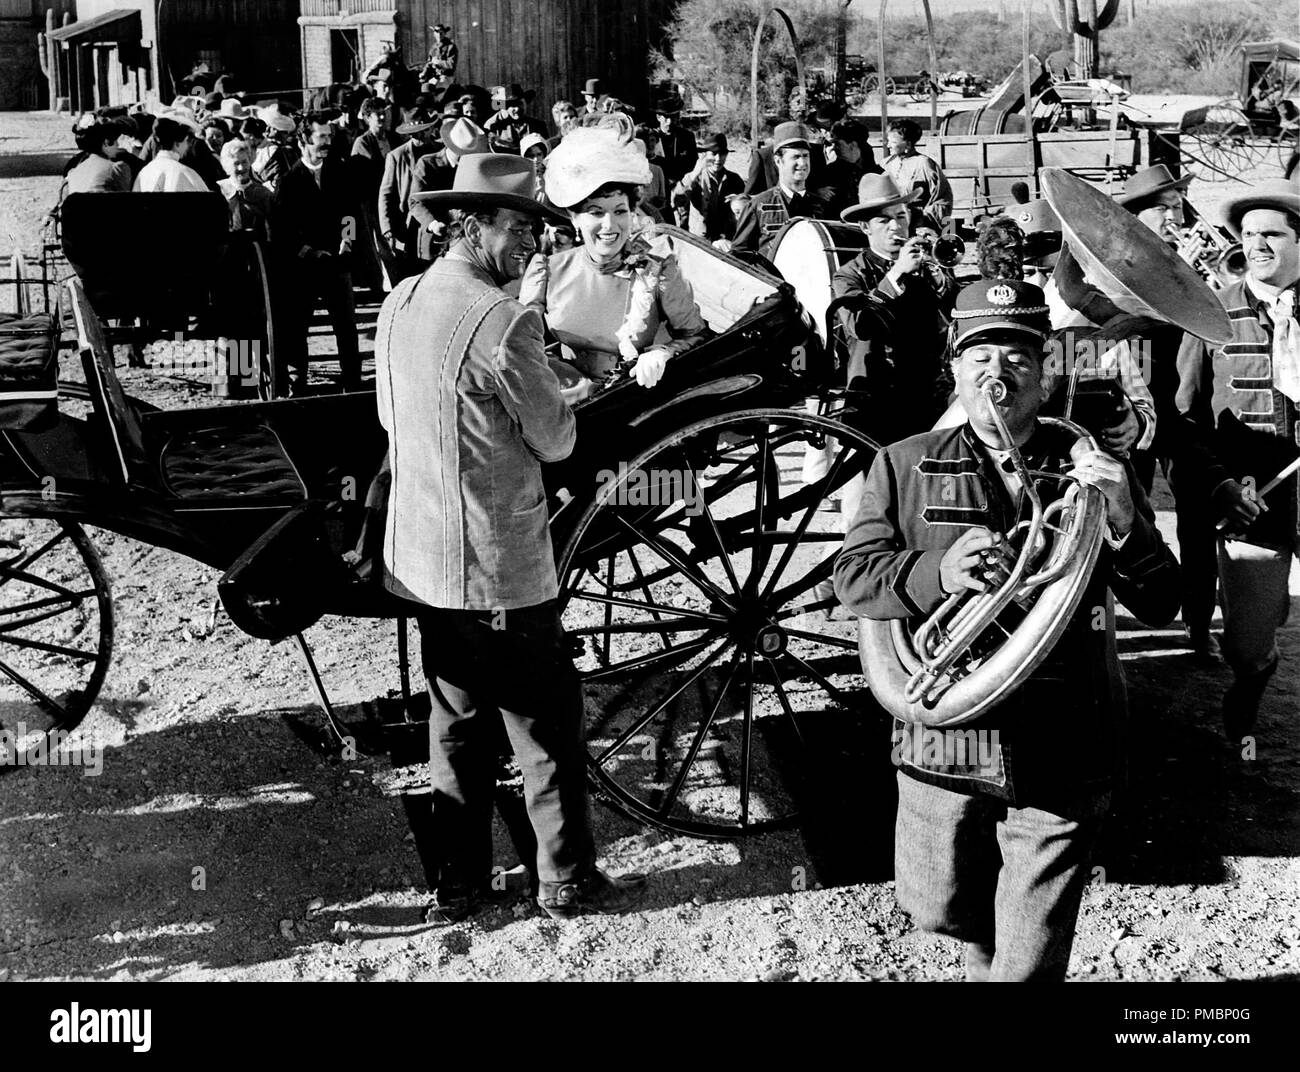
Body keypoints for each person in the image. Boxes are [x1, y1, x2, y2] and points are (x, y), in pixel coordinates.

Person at [834, 274, 1181, 981]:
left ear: (1046, 369)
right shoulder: (900, 465)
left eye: (1019, 356)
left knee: (1027, 965)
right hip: (947, 740)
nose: (999, 373)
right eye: (981, 355)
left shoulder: (1095, 469)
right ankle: (984, 949)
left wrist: (1120, 516)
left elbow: (1163, 600)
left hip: (1066, 737)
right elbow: (853, 579)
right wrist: (938, 572)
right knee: (936, 909)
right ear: (955, 367)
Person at [376, 153, 646, 922]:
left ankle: (456, 886)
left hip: (424, 562)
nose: (532, 243)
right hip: (497, 565)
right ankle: (565, 881)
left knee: (457, 728)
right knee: (544, 728)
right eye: (520, 226)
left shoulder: (399, 300)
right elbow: (557, 441)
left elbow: (399, 418)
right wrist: (571, 393)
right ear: (474, 224)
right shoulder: (502, 318)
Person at [1175, 177, 1300, 740]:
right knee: (1247, 644)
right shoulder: (1210, 315)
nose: (1256, 246)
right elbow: (1184, 420)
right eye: (1248, 235)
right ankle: (1252, 680)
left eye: (1271, 234)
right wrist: (1220, 484)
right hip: (1252, 501)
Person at [520, 121, 709, 389]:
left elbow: (697, 335)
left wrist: (664, 352)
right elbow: (521, 342)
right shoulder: (548, 269)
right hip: (564, 397)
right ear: (575, 218)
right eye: (596, 212)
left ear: (632, 213)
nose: (609, 226)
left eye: (619, 211)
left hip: (631, 399)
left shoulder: (657, 270)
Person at [831, 173, 957, 445]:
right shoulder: (849, 274)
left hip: (925, 395)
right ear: (865, 227)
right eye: (884, 220)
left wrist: (939, 277)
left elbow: (954, 315)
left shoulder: (923, 266)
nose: (895, 226)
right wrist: (897, 273)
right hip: (877, 400)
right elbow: (860, 326)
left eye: (901, 217)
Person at [272, 113, 361, 393]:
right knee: (299, 328)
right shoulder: (287, 182)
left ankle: (353, 383)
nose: (327, 143)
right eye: (321, 137)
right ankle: (299, 384)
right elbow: (281, 230)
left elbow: (351, 214)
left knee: (346, 327)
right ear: (304, 141)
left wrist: (347, 242)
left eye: (329, 137)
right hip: (305, 268)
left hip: (338, 263)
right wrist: (308, 252)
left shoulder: (341, 172)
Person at [732, 122, 826, 257]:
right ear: (778, 161)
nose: (803, 163)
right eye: (795, 157)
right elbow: (739, 254)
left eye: (805, 155)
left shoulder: (822, 205)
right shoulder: (758, 206)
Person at [409, 118, 491, 263]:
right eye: (462, 153)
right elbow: (415, 202)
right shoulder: (427, 164)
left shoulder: (471, 166)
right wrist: (433, 224)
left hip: (463, 243)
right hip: (434, 241)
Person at [378, 112, 442, 280]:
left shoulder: (440, 153)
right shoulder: (397, 156)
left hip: (435, 221)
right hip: (407, 225)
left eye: (423, 131)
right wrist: (387, 228)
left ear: (431, 129)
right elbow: (386, 193)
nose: (418, 136)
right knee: (409, 273)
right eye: (414, 133)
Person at [675, 132, 744, 249]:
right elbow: (677, 199)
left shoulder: (734, 179)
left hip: (726, 241)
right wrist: (695, 172)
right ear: (705, 155)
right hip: (699, 242)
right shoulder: (695, 178)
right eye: (714, 154)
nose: (718, 159)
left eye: (722, 154)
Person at [882, 118, 952, 224]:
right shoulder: (885, 164)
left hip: (917, 225)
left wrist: (920, 217)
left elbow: (942, 200)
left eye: (893, 142)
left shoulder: (924, 164)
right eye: (888, 141)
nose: (888, 145)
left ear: (908, 144)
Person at [133, 113, 209, 192]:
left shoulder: (144, 172)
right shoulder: (185, 173)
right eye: (187, 141)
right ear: (177, 143)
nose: (187, 147)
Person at [823, 118, 881, 218]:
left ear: (852, 145)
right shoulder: (828, 173)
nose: (833, 148)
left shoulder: (877, 174)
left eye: (837, 144)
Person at [218, 139, 273, 240]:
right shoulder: (218, 190)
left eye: (244, 162)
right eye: (236, 163)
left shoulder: (264, 194)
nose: (241, 168)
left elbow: (271, 231)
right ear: (226, 165)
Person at [483, 84, 546, 151]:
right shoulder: (496, 126)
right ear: (505, 108)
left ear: (525, 103)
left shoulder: (538, 126)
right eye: (512, 105)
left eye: (520, 104)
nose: (517, 109)